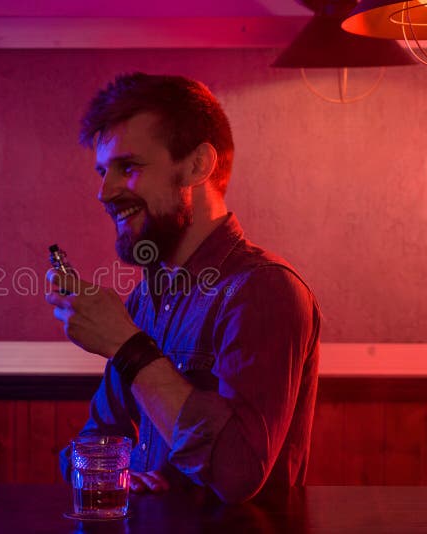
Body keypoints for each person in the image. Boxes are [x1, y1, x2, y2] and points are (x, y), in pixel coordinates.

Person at [45, 73, 321, 504]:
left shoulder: (265, 290)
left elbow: (237, 472)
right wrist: (123, 474)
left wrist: (127, 345)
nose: (103, 192)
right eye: (102, 171)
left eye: (128, 167)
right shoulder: (146, 299)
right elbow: (88, 448)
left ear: (196, 165)